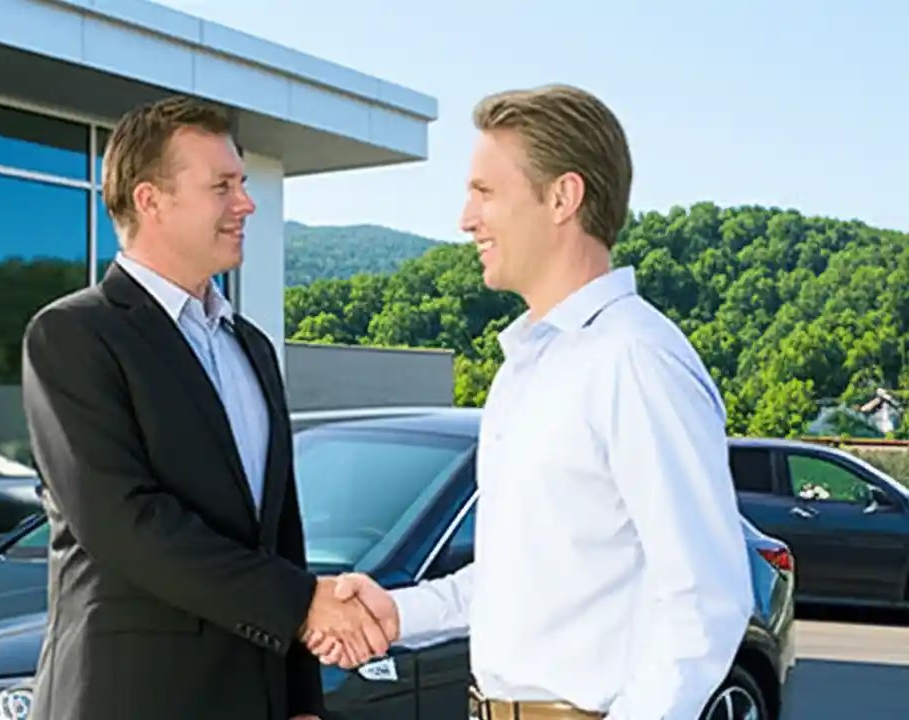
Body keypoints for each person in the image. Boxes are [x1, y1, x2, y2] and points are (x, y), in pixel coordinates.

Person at [306, 84, 756, 719]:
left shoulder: (634, 360)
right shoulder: (529, 367)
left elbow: (706, 598)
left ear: (562, 198)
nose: (466, 219)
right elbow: (518, 581)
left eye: (485, 192)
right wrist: (400, 612)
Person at [20, 95, 390, 720]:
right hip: (131, 700)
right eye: (222, 186)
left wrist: (301, 699)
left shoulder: (253, 348)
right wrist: (304, 603)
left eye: (242, 184)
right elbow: (123, 521)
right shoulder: (74, 336)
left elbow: (280, 534)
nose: (246, 203)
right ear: (150, 200)